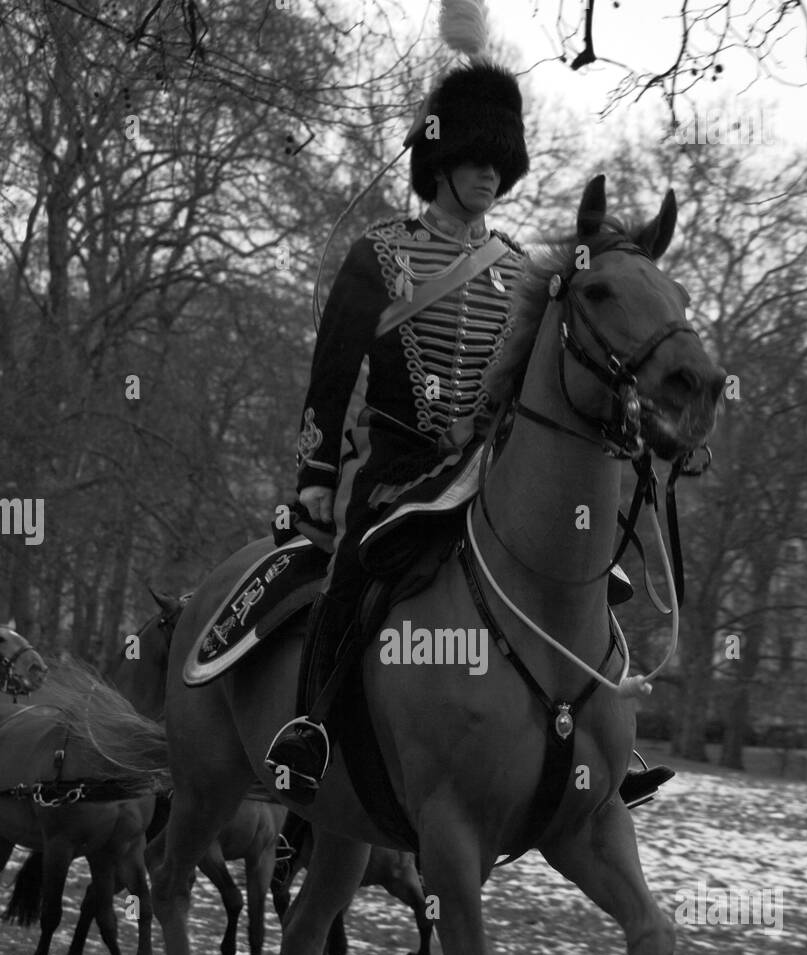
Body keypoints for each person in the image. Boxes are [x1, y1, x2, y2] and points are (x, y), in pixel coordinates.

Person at [265, 61, 673, 811]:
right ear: (440, 166)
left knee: (582, 570)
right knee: (358, 570)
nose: (489, 176)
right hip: (392, 462)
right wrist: (317, 475)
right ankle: (310, 725)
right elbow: (331, 378)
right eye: (474, 161)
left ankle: (604, 733)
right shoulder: (380, 254)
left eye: (499, 164)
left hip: (486, 465)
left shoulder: (516, 267)